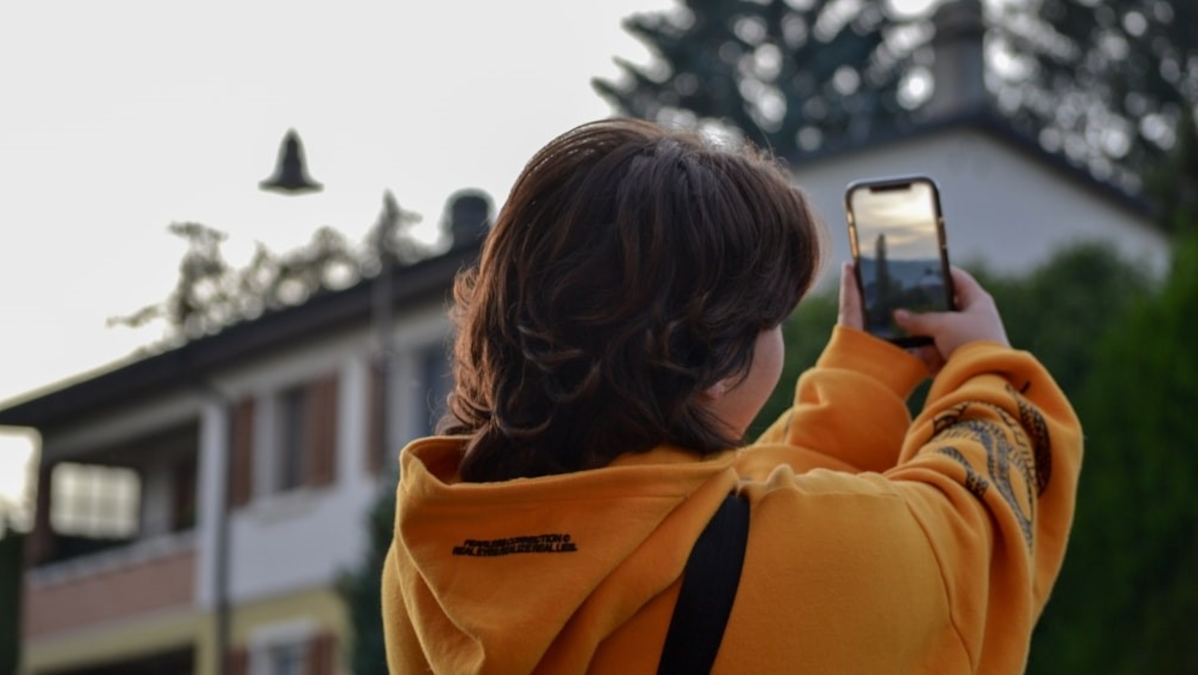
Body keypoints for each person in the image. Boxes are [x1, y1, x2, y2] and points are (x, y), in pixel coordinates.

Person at [381, 118, 1082, 673]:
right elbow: (975, 524)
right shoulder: (818, 563)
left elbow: (700, 518)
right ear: (714, 362)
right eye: (772, 321)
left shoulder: (425, 562)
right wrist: (990, 367)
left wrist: (866, 375)